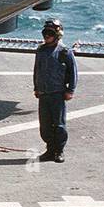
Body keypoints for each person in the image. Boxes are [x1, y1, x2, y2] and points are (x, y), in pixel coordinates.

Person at [33, 18, 77, 162]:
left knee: (59, 125)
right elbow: (37, 70)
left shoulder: (65, 52)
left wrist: (70, 90)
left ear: (57, 35)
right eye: (45, 33)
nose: (47, 36)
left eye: (50, 33)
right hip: (44, 94)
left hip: (57, 94)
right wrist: (36, 87)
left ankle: (59, 151)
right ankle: (50, 149)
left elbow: (73, 72)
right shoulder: (40, 50)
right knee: (44, 126)